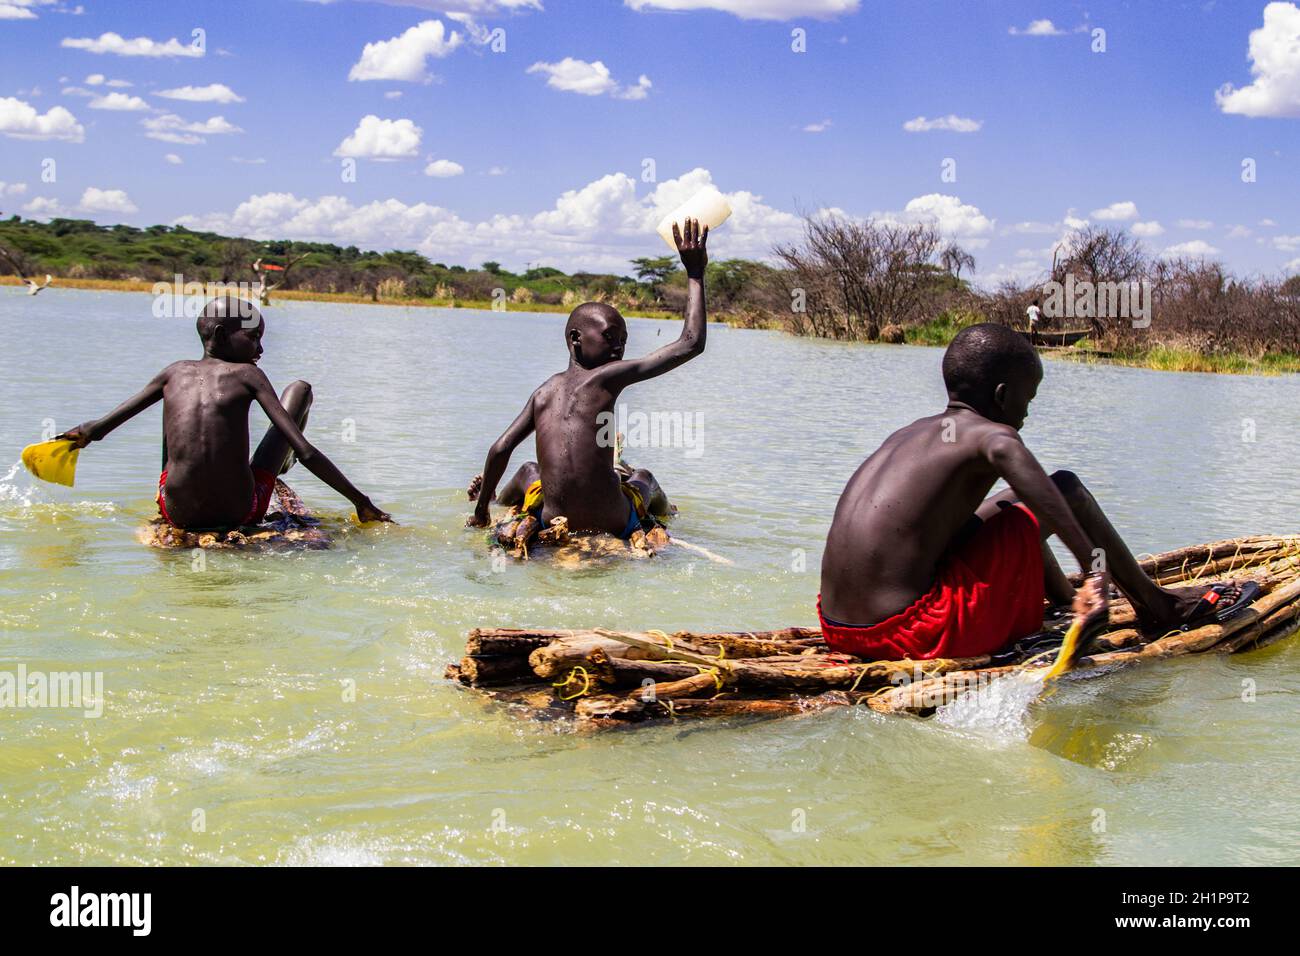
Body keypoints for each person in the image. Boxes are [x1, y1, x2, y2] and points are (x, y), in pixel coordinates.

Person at [817, 322, 1254, 661]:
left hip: (838, 626)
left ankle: (1062, 599)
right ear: (1004, 395)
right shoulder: (996, 438)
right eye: (1030, 397)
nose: (1029, 410)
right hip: (911, 632)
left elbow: (1023, 509)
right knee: (1064, 487)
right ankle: (1159, 608)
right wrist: (1095, 571)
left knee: (1018, 507)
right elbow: (1055, 497)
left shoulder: (912, 433)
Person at [60, 296, 391, 531]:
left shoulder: (173, 373)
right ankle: (281, 464)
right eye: (253, 338)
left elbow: (99, 429)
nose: (260, 349)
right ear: (220, 335)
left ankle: (182, 488)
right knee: (300, 389)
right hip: (239, 512)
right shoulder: (248, 375)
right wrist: (361, 501)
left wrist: (78, 437)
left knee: (174, 405)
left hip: (176, 512)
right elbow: (306, 452)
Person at [467, 219, 709, 537]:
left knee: (528, 469)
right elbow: (691, 343)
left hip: (553, 519)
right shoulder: (605, 377)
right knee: (645, 478)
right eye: (610, 336)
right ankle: (666, 512)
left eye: (623, 338)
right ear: (576, 338)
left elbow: (500, 449)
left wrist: (480, 511)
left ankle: (494, 501)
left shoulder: (544, 392)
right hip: (612, 520)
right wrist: (695, 273)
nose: (620, 345)